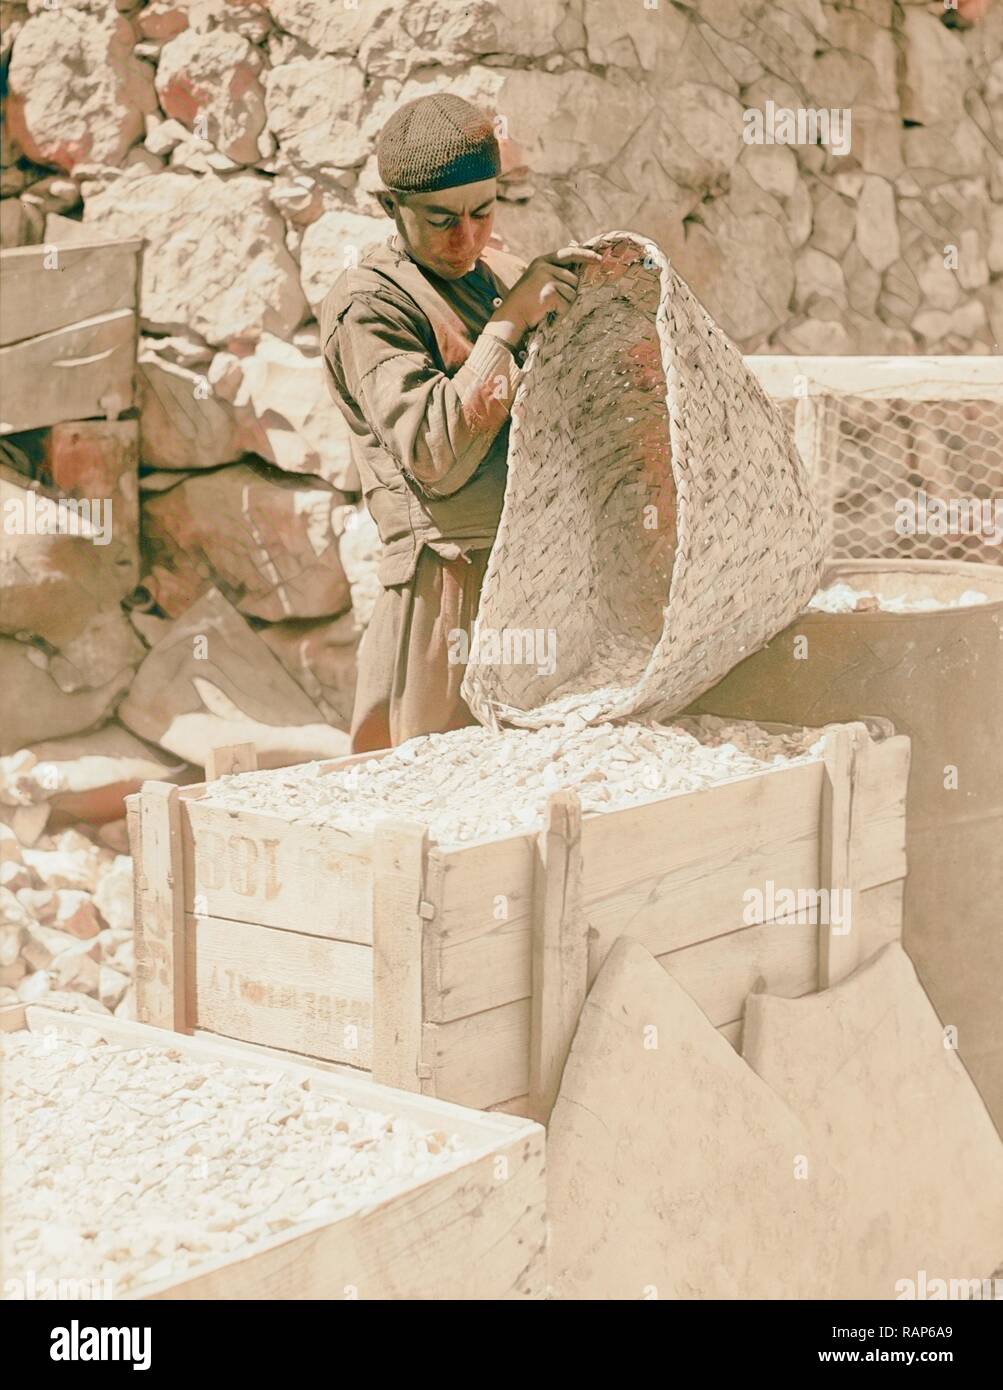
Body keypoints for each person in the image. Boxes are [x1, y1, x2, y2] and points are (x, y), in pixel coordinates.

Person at [320, 92, 599, 751]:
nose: (466, 238)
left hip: (535, 582)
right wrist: (509, 325)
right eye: (441, 218)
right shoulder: (371, 303)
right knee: (430, 780)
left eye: (482, 211)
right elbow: (433, 453)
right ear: (391, 207)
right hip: (446, 593)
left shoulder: (500, 278)